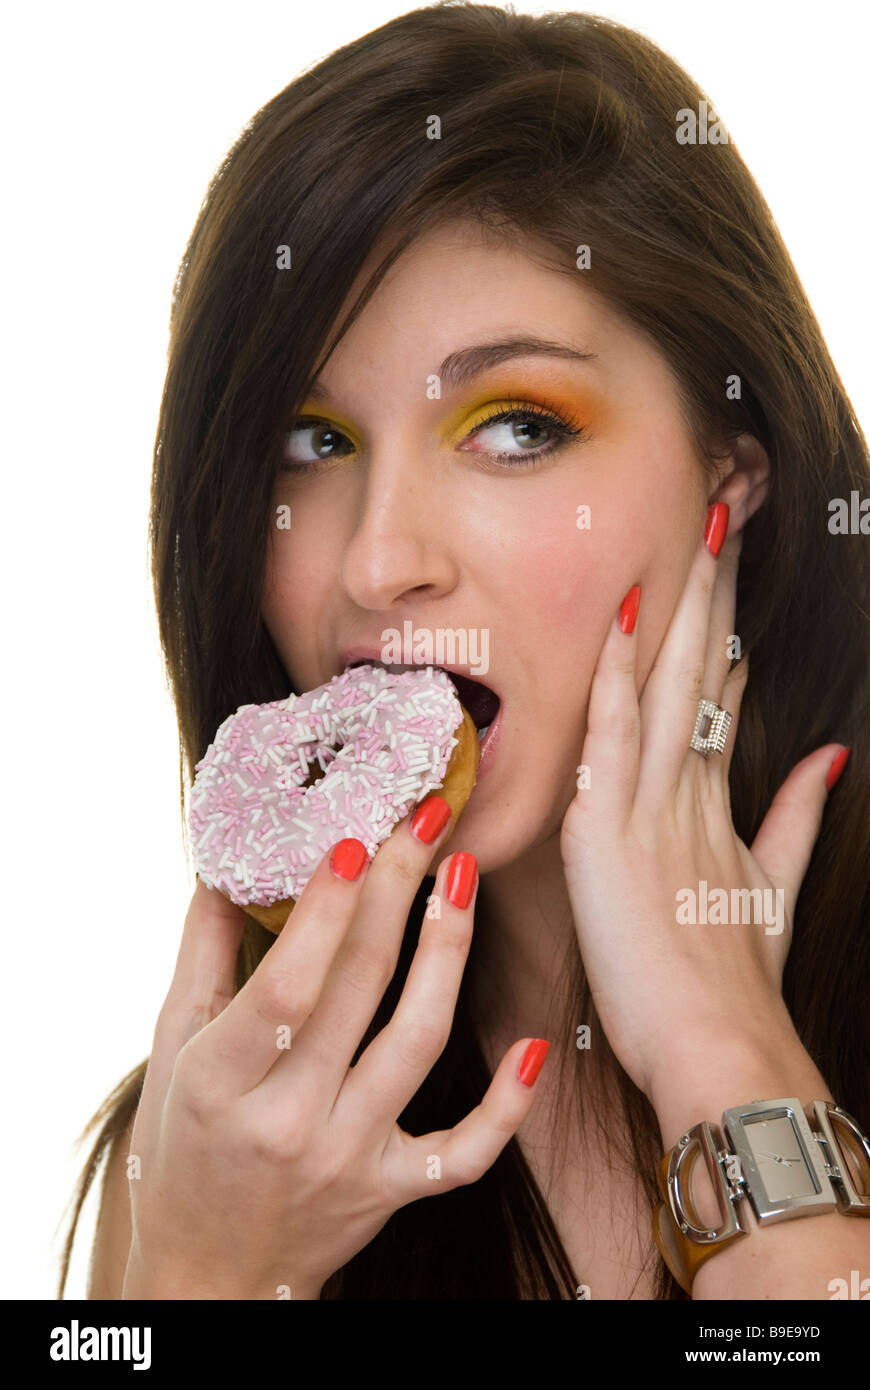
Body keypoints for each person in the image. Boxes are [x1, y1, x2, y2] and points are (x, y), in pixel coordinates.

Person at [58, 2, 870, 1300]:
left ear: (736, 471)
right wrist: (205, 1264)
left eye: (515, 426)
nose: (377, 560)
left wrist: (724, 1052)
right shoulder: (220, 1142)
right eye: (310, 442)